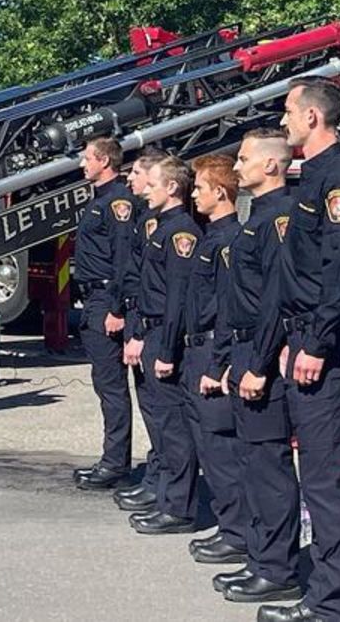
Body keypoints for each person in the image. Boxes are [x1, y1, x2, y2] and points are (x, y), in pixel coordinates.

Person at [245, 77, 340, 621]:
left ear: (313, 119)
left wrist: (315, 342)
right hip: (305, 337)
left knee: (324, 481)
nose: (284, 123)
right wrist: (286, 341)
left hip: (328, 344)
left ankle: (334, 603)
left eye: (290, 113)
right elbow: (297, 276)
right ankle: (322, 592)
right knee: (315, 478)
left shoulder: (339, 181)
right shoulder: (312, 180)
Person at [214, 128, 302, 604]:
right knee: (252, 461)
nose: (238, 166)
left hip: (262, 353)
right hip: (247, 349)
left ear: (271, 165)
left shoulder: (280, 219)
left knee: (268, 465)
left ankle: (277, 567)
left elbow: (275, 301)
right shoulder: (258, 217)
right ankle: (259, 554)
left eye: (245, 158)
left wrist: (261, 364)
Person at [127, 154, 202, 535]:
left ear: (172, 188)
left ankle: (179, 508)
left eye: (153, 184)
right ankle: (166, 497)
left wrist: (168, 350)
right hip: (152, 329)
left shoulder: (181, 233)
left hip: (165, 335)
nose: (146, 191)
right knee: (160, 421)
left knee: (173, 427)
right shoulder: (162, 229)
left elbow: (178, 298)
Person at [178, 154, 244, 563]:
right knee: (208, 446)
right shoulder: (210, 237)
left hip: (212, 350)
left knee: (222, 449)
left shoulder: (227, 243)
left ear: (220, 192)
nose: (195, 195)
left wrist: (218, 365)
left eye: (200, 188)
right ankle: (229, 523)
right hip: (197, 347)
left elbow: (225, 309)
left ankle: (237, 531)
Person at [71, 137, 135, 490]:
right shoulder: (100, 199)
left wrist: (115, 307)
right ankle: (111, 459)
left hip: (106, 298)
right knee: (103, 384)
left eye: (87, 158)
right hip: (93, 298)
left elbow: (124, 258)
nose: (82, 164)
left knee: (112, 388)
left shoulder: (118, 202)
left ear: (105, 161)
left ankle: (115, 465)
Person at [110, 147, 168, 511]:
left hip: (152, 324)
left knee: (163, 414)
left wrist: (137, 331)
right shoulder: (146, 217)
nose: (129, 179)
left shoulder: (161, 222)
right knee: (152, 409)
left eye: (136, 173)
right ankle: (157, 477)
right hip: (139, 316)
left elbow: (152, 284)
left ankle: (164, 483)